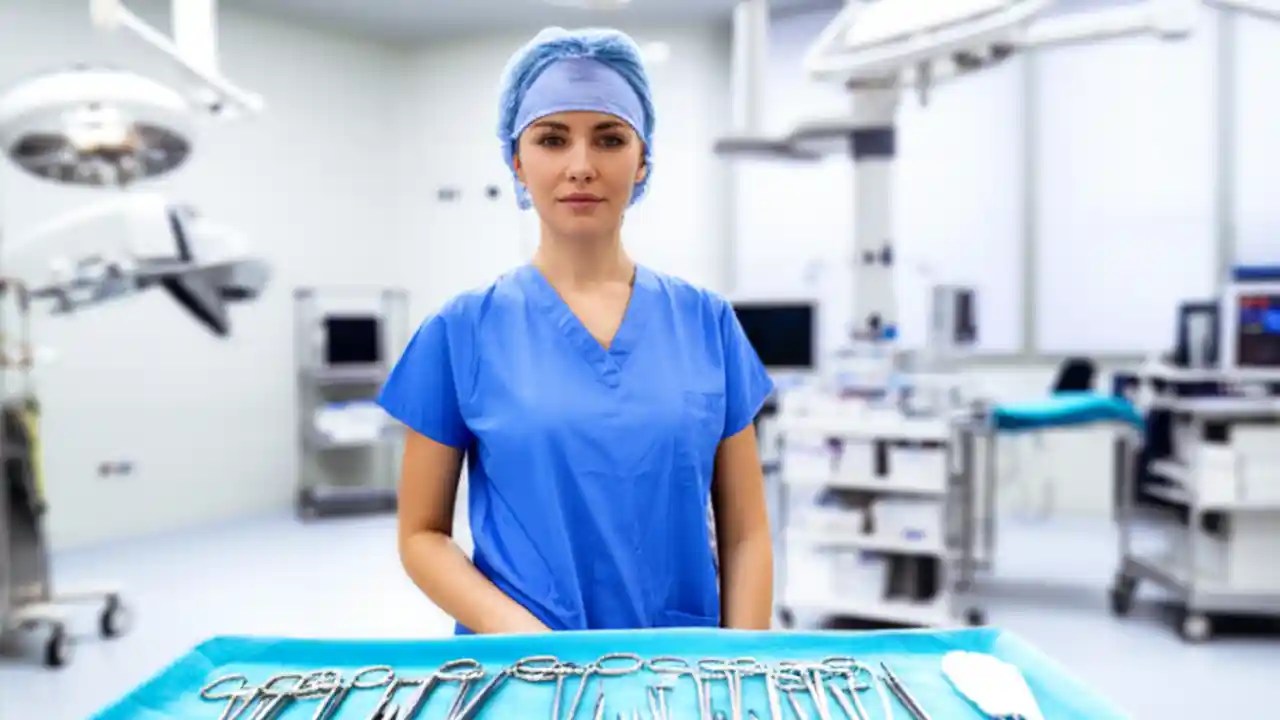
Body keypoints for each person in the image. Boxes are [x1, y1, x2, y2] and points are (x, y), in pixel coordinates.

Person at [377, 26, 775, 635]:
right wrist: (529, 642)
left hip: (681, 664)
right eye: (552, 139)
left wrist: (741, 664)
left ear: (642, 161)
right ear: (516, 160)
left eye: (610, 139)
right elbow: (421, 536)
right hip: (525, 666)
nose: (581, 166)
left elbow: (746, 534)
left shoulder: (707, 323)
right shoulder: (460, 332)